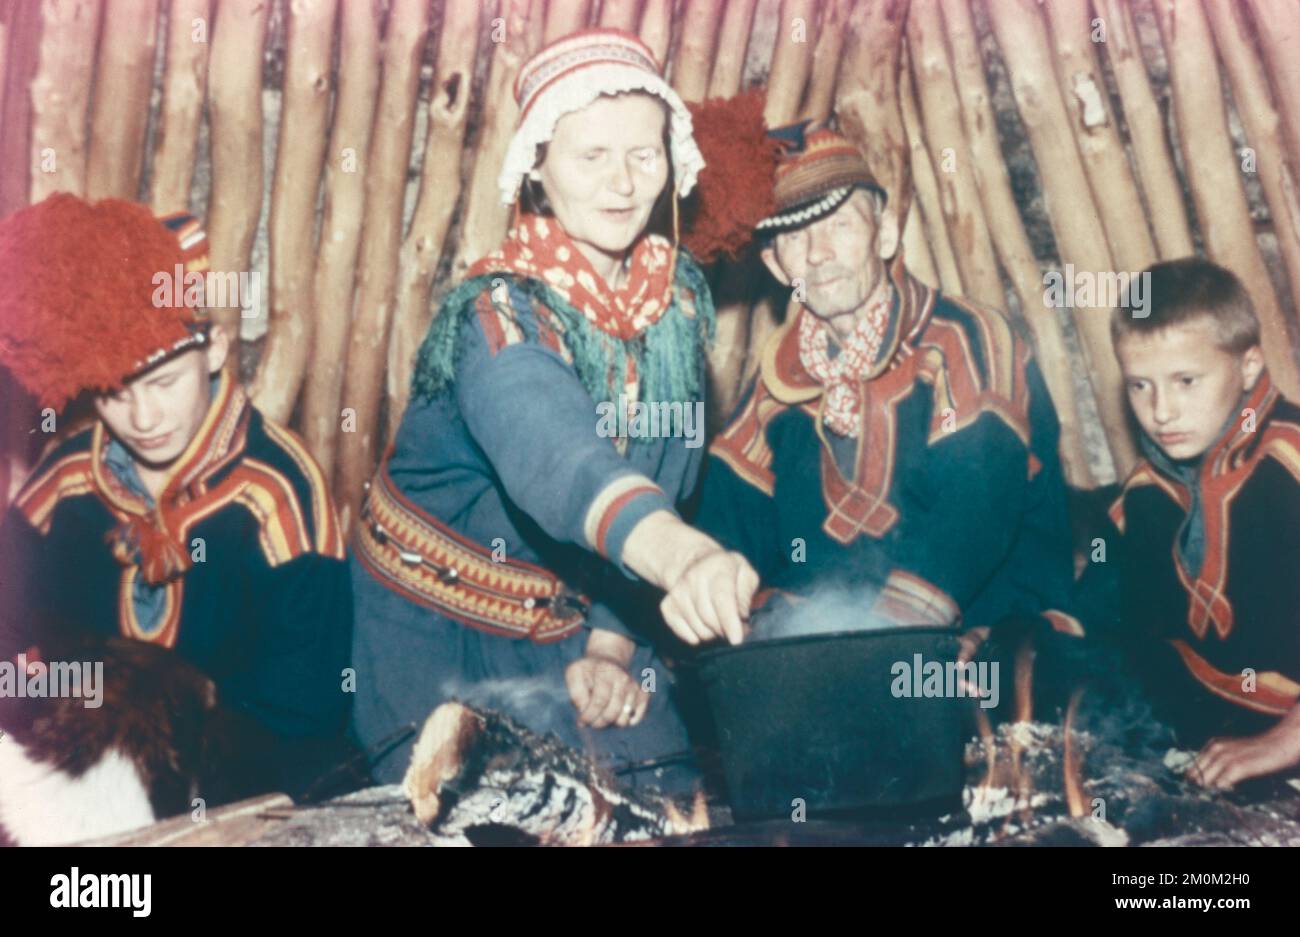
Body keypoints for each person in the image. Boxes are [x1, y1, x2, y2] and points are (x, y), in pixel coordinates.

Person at [349, 28, 758, 789]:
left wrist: (609, 646)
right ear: (538, 165)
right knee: (471, 815)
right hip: (433, 629)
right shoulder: (497, 311)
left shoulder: (670, 312)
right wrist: (684, 557)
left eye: (645, 154)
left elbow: (664, 472)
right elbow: (559, 456)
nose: (624, 184)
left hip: (575, 620)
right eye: (591, 157)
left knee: (662, 789)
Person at [0, 194, 353, 799]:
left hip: (230, 795)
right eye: (114, 393)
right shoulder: (66, 482)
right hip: (70, 775)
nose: (142, 417)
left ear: (215, 349)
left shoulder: (278, 499)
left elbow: (306, 715)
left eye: (163, 383)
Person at [697, 125, 1078, 673]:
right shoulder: (775, 387)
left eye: (840, 225)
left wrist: (880, 646)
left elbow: (975, 508)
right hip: (838, 652)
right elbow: (727, 525)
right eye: (795, 238)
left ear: (885, 235)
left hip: (991, 640)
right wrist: (744, 611)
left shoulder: (966, 341)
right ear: (778, 267)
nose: (819, 254)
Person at [1072, 258, 1300, 789]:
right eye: (1140, 387)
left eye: (1185, 381)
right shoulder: (1141, 500)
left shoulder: (1288, 464)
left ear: (1247, 367)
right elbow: (1095, 617)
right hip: (1201, 744)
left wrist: (1282, 744)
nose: (1162, 411)